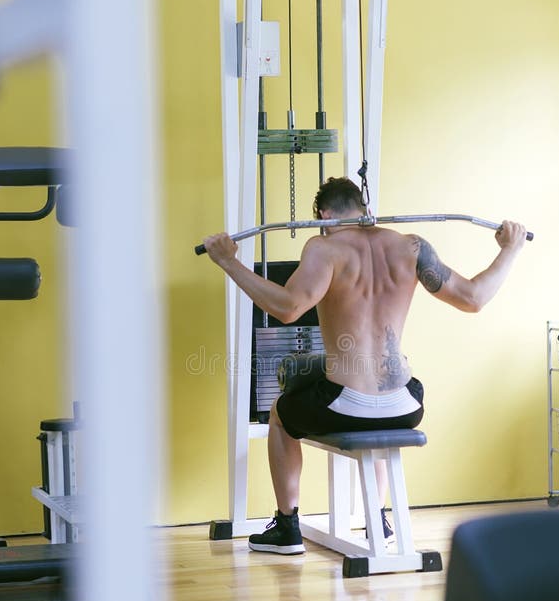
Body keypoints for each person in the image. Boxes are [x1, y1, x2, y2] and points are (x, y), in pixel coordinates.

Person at [203, 177, 527, 555]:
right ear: (366, 210)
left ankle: (287, 526)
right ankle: (379, 518)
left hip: (344, 404)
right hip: (405, 406)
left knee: (280, 413)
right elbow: (474, 298)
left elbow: (288, 308)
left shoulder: (324, 248)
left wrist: (228, 261)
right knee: (343, 385)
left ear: (324, 217)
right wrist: (511, 249)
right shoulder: (412, 247)